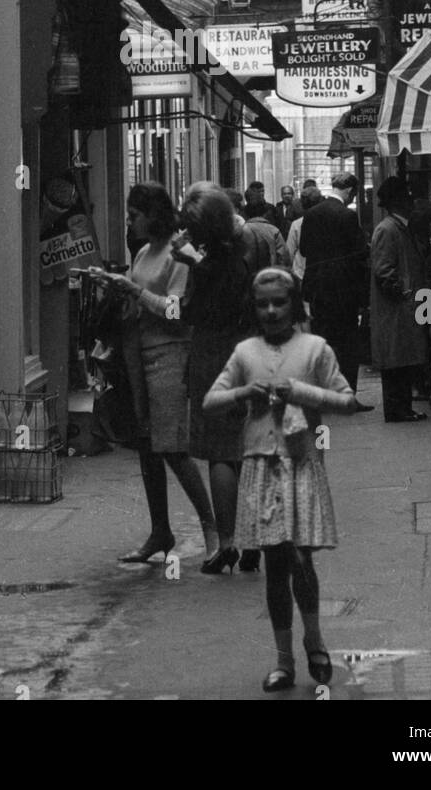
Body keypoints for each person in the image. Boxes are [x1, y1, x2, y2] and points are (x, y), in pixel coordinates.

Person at [204, 267, 355, 692]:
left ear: (296, 303)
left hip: (302, 464)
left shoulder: (315, 349)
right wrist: (242, 393)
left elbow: (348, 400)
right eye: (262, 303)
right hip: (261, 466)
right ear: (253, 308)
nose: (271, 310)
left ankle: (316, 640)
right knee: (275, 566)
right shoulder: (245, 352)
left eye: (280, 301)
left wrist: (302, 393)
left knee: (303, 560)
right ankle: (284, 660)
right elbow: (210, 401)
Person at [92, 182, 219, 564]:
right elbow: (139, 303)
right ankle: (160, 531)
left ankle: (211, 527)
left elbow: (178, 312)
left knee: (173, 447)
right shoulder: (145, 251)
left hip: (168, 355)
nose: (130, 223)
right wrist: (116, 289)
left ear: (153, 215)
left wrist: (133, 290)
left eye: (134, 216)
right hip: (135, 355)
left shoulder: (179, 255)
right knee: (147, 447)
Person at [177, 182, 255, 573]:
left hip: (212, 356)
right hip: (244, 351)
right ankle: (253, 536)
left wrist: (189, 263)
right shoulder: (242, 251)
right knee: (244, 447)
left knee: (220, 453)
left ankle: (228, 542)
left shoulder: (205, 266)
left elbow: (190, 312)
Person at [300, 172, 372, 412]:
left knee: (323, 343)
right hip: (344, 290)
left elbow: (304, 249)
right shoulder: (348, 216)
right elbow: (359, 254)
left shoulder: (311, 214)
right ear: (351, 191)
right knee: (349, 346)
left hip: (319, 289)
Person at [369, 177, 430, 422]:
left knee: (402, 360)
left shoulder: (398, 227)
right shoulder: (387, 229)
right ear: (398, 201)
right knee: (397, 360)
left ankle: (402, 408)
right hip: (396, 309)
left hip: (402, 306)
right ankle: (397, 410)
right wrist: (402, 294)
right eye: (407, 196)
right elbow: (384, 270)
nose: (412, 200)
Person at [285, 185, 325, 287]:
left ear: (302, 204)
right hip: (322, 272)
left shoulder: (297, 224)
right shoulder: (326, 222)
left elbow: (289, 251)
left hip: (300, 273)